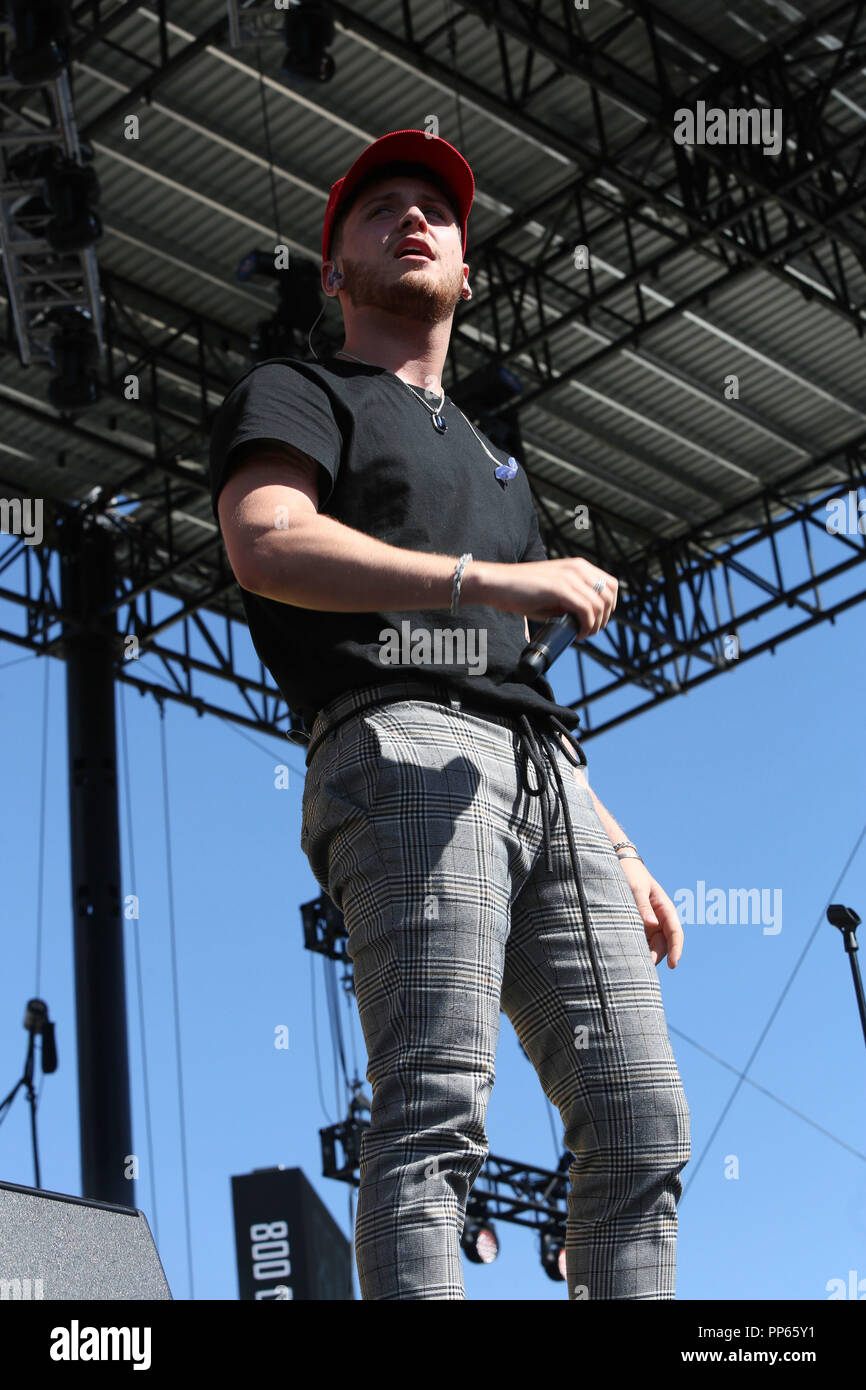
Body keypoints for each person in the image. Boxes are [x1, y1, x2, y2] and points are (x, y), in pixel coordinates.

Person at [209, 129, 691, 1300]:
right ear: (334, 270)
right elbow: (265, 541)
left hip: (544, 775)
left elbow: (515, 677)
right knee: (432, 1107)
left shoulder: (494, 461)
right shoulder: (298, 390)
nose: (413, 218)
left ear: (467, 274)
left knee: (641, 1119)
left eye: (435, 210)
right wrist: (488, 579)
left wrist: (617, 844)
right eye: (379, 208)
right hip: (399, 744)